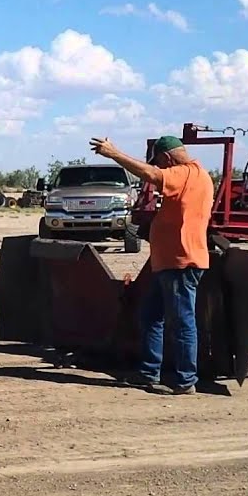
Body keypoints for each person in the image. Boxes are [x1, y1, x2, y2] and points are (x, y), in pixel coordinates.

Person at [89, 134, 213, 395]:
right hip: (168, 262)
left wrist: (114, 153)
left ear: (166, 158)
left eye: (159, 162)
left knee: (181, 322)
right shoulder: (198, 175)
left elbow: (152, 175)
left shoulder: (184, 173)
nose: (160, 167)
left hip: (180, 262)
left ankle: (185, 380)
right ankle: (148, 373)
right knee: (151, 316)